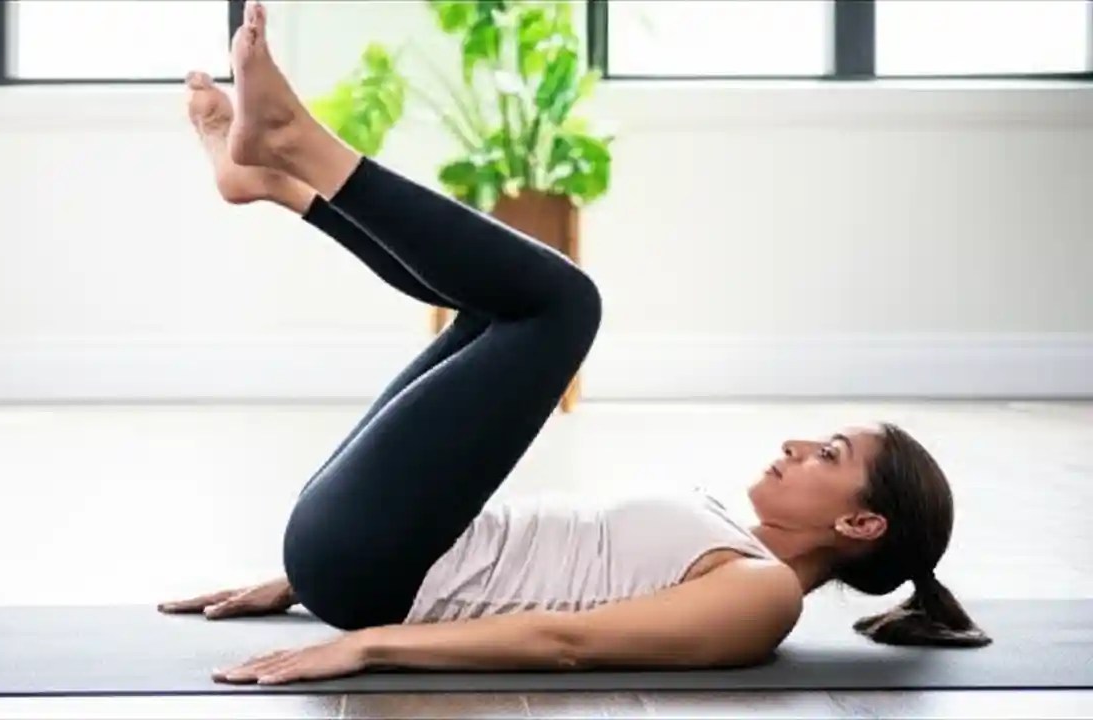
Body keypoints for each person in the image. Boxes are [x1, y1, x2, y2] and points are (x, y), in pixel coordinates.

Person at [158, 1, 992, 686]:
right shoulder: (729, 538)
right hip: (366, 551)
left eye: (829, 454)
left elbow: (566, 641)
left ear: (860, 521)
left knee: (566, 305)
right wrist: (303, 583)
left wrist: (369, 644)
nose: (797, 445)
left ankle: (294, 146)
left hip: (377, 568)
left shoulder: (765, 595)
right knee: (494, 308)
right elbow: (514, 565)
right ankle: (278, 182)